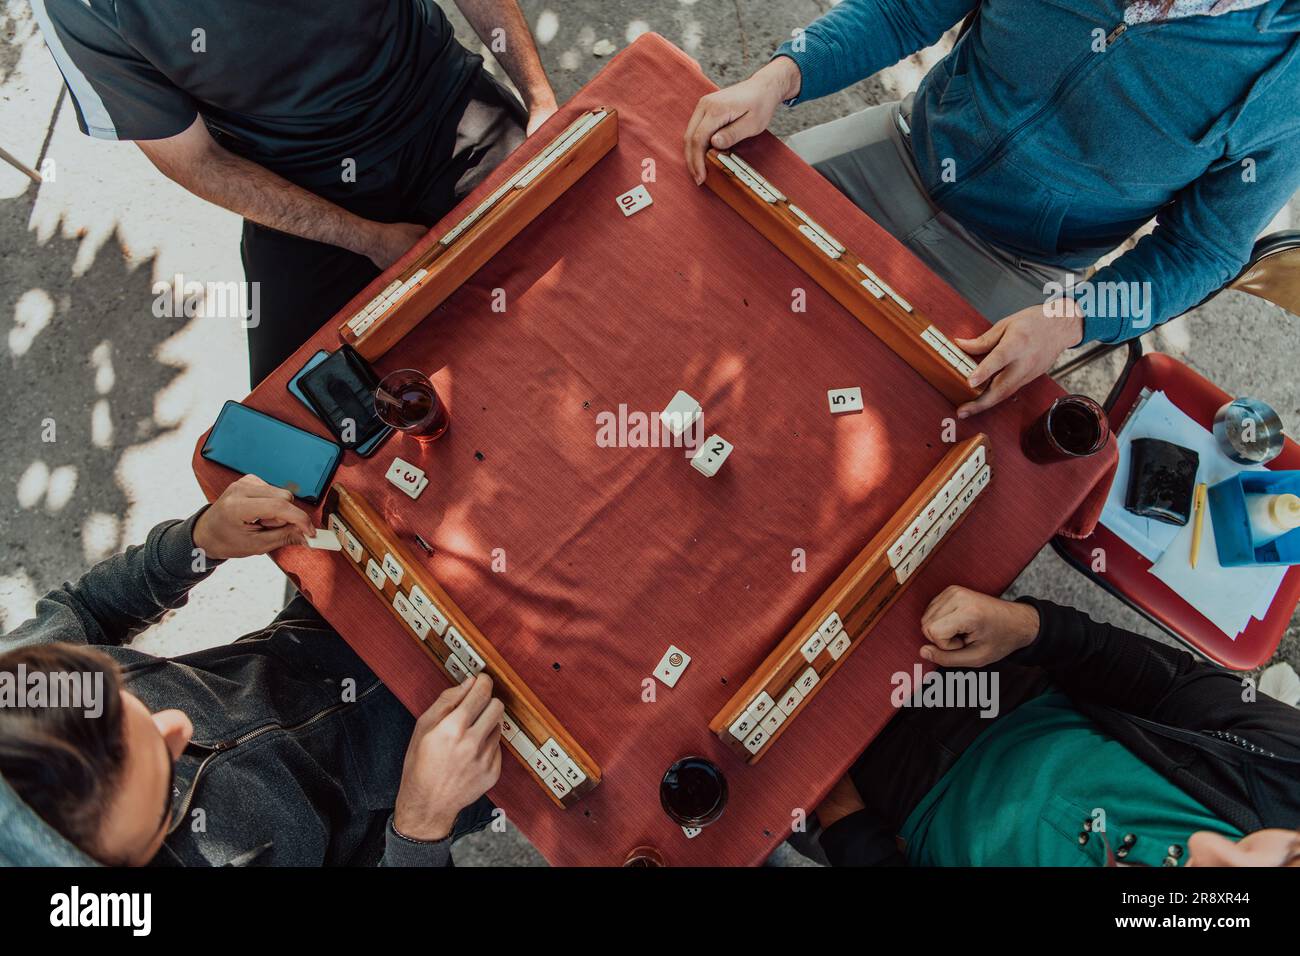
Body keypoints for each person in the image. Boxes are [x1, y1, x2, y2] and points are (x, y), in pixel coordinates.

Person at [684, 0, 1300, 419]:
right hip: (896, 145)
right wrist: (780, 75)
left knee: (852, 422)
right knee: (695, 258)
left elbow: (1204, 249)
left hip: (1018, 269)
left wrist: (1071, 319)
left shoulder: (1288, 79)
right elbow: (903, 11)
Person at [32, 0, 556, 385]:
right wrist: (367, 239)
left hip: (440, 97)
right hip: (296, 178)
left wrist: (539, 101)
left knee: (576, 258)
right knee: (302, 411)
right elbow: (193, 160)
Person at [0, 476, 505, 866]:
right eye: (162, 805)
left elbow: (87, 609)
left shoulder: (16, 692)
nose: (178, 727)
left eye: (125, 702)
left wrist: (200, 542)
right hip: (482, 764)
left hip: (347, 622)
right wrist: (421, 826)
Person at [804, 585, 1300, 866]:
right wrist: (1028, 628)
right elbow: (1170, 684)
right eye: (1291, 859)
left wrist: (842, 815)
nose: (1207, 843)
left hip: (890, 814)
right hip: (1011, 692)